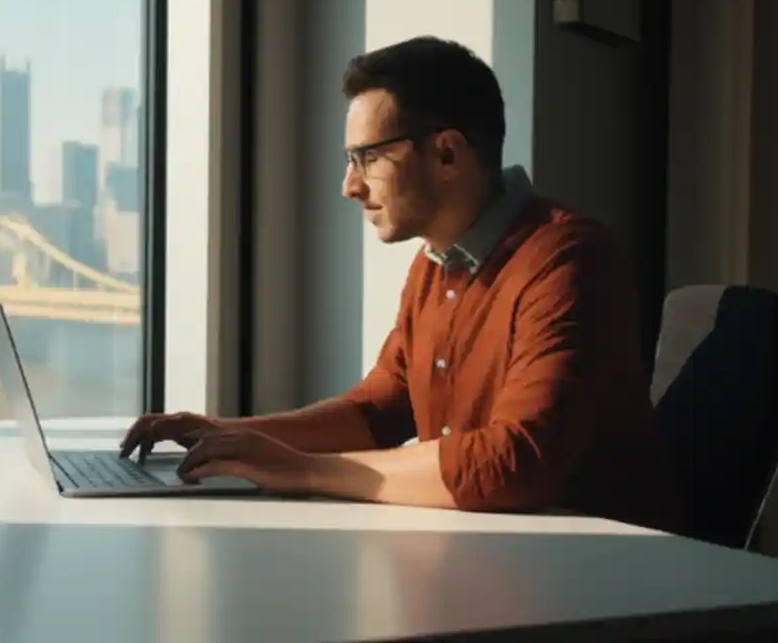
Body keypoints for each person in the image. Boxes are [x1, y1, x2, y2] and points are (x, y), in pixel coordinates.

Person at [119, 36, 681, 532]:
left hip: (596, 580)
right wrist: (227, 434)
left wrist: (308, 470)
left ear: (446, 153)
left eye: (366, 158)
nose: (349, 186)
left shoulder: (567, 258)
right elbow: (380, 409)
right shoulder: (436, 266)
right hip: (495, 558)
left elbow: (518, 463)